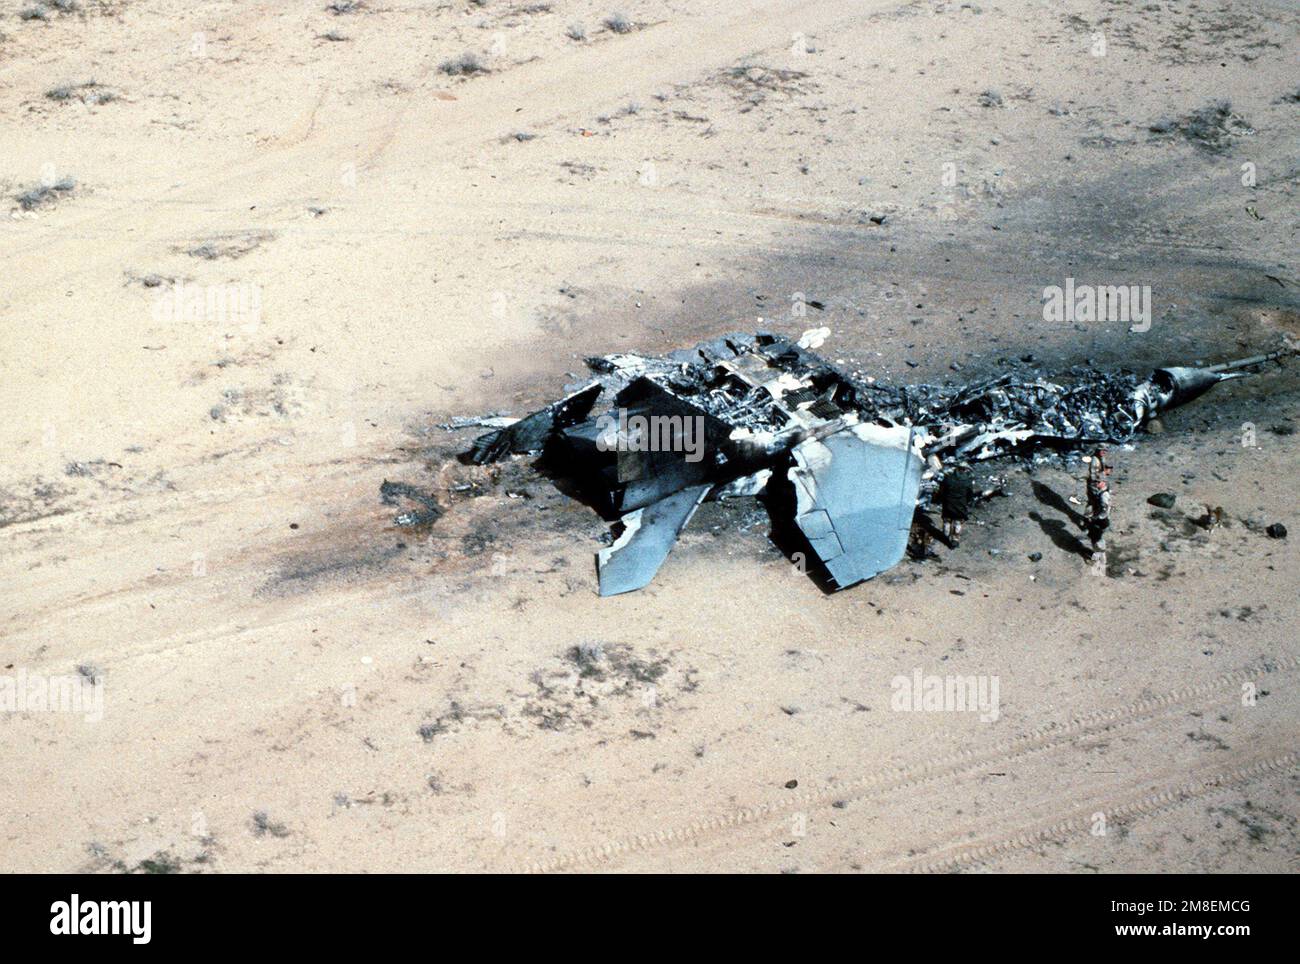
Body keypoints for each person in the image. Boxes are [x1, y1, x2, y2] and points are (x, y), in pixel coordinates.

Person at [939, 467, 974, 548]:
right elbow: (970, 494)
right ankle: (955, 540)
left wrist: (942, 499)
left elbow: (942, 491)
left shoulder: (948, 478)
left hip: (948, 504)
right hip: (961, 505)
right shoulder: (967, 481)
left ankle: (946, 535)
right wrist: (968, 502)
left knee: (947, 520)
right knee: (958, 522)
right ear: (964, 470)